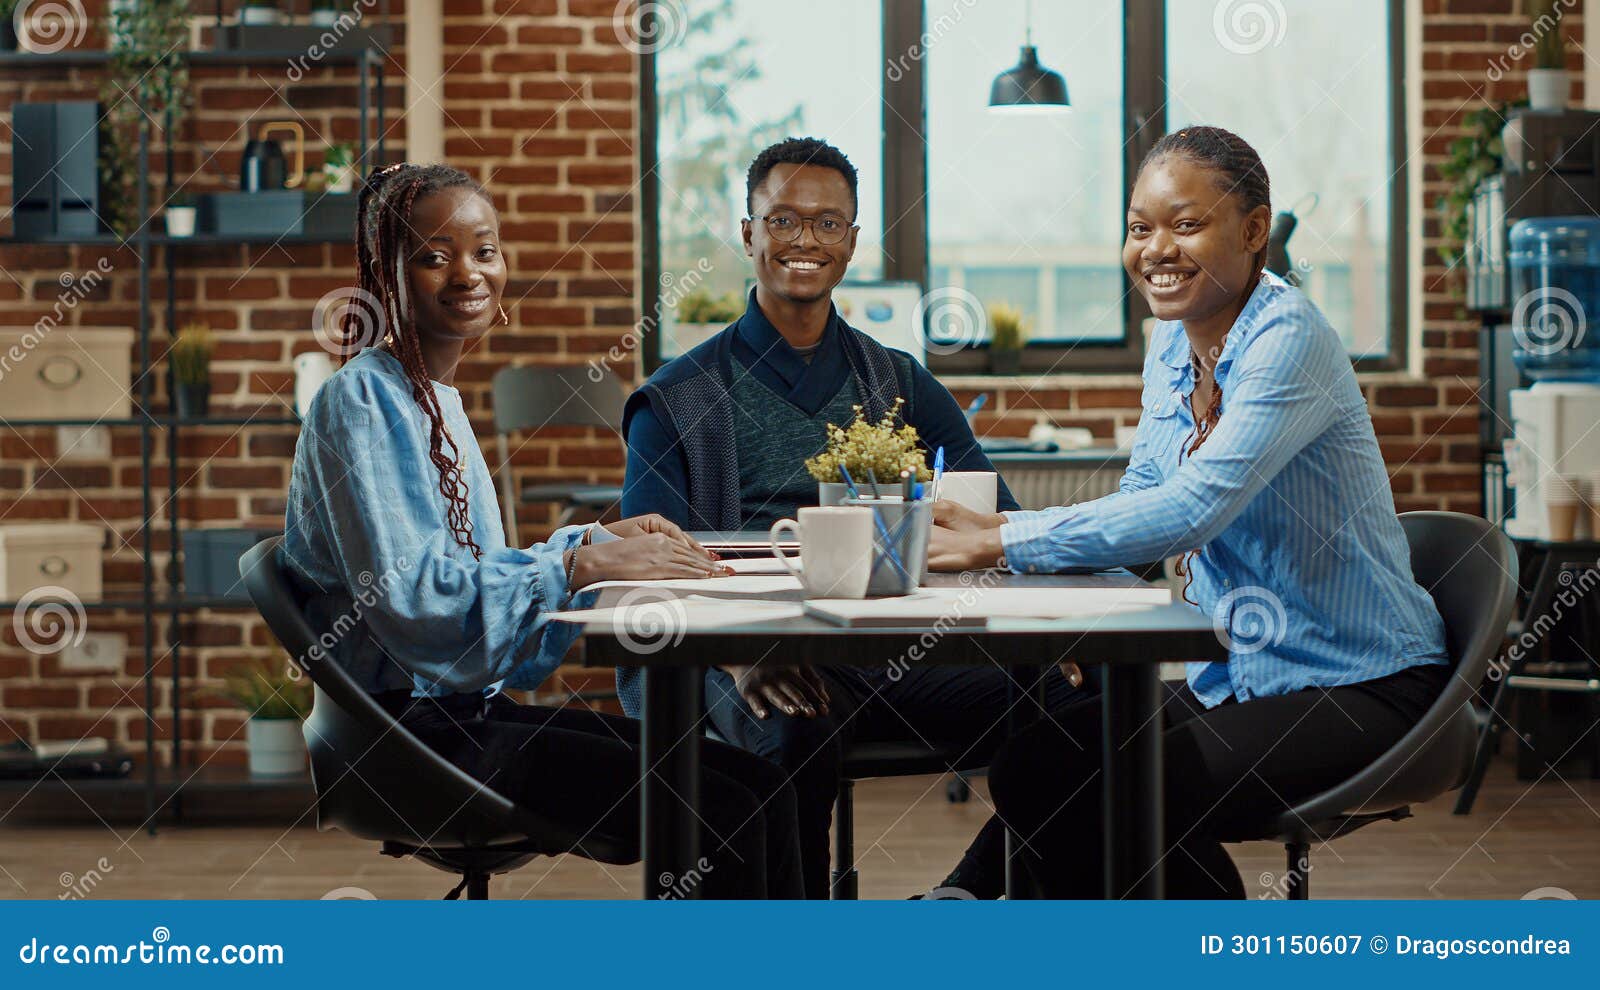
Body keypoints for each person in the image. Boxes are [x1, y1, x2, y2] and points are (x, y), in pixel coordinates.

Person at [925, 126, 1451, 898]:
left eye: (1186, 224)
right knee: (1037, 762)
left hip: (1359, 684)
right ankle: (970, 906)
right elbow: (1146, 493)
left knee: (1115, 792)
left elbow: (1196, 505)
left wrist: (1001, 538)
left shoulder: (1288, 337)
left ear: (1253, 229)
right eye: (1141, 228)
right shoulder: (1172, 343)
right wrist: (1056, 601)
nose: (1156, 248)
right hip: (1239, 675)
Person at [281, 162, 803, 899]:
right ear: (383, 275)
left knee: (758, 786)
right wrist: (582, 569)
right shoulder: (360, 402)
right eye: (432, 256)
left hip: (465, 718)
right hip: (414, 740)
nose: (467, 273)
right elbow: (422, 609)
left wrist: (593, 544)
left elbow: (480, 602)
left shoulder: (434, 401)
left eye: (484, 249)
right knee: (723, 809)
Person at [621, 137, 1085, 898]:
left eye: (828, 224)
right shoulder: (677, 398)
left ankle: (963, 896)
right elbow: (651, 577)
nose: (805, 240)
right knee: (790, 728)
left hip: (889, 649)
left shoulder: (897, 379)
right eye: (782, 220)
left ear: (853, 240)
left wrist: (1048, 627)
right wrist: (742, 656)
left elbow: (996, 514)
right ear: (748, 234)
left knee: (1086, 713)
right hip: (738, 654)